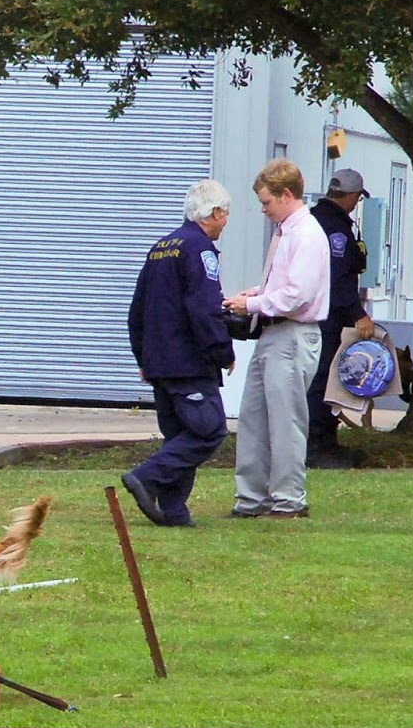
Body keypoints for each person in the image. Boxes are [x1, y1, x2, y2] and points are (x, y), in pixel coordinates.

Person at [119, 180, 236, 528]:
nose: (225, 223)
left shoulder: (160, 247)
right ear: (214, 213)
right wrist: (222, 351)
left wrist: (143, 358)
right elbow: (204, 308)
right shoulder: (198, 249)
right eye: (225, 215)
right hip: (189, 362)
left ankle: (173, 511)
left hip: (159, 363)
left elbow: (136, 309)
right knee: (208, 431)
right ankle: (146, 477)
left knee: (180, 436)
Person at [223, 159, 330, 518]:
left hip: (293, 334)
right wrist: (255, 293)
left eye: (267, 201)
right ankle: (251, 499)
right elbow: (283, 287)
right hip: (273, 333)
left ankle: (288, 500)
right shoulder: (286, 233)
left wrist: (252, 303)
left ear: (287, 195)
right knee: (254, 417)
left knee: (286, 421)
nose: (264, 209)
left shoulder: (306, 234)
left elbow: (297, 295)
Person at [306, 168, 374, 468]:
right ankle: (318, 447)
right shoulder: (335, 228)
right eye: (357, 199)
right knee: (324, 380)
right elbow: (339, 279)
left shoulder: (312, 219)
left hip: (312, 314)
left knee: (321, 379)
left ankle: (322, 443)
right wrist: (359, 315)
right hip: (329, 317)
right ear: (351, 196)